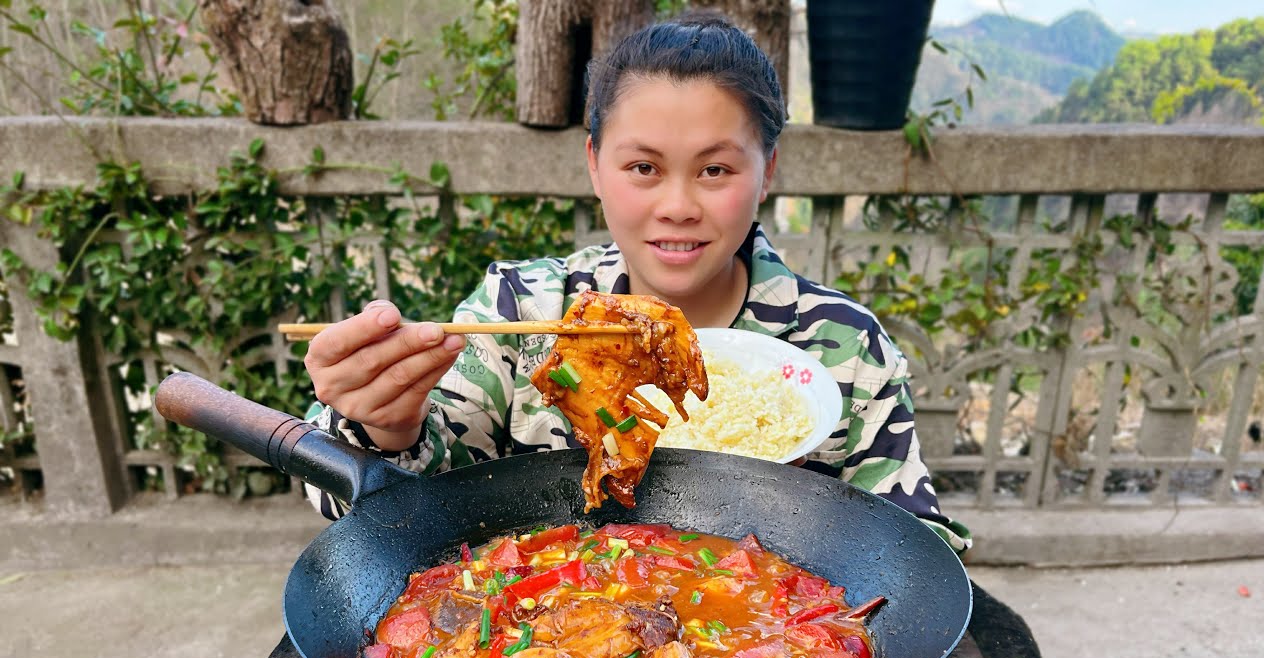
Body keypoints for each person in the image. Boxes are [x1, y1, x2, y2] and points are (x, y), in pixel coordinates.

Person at [300, 12, 971, 553]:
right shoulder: (521, 311)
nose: (678, 205)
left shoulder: (844, 348)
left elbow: (919, 557)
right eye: (643, 168)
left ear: (768, 171)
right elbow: (368, 511)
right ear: (595, 166)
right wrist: (384, 426)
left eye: (715, 171)